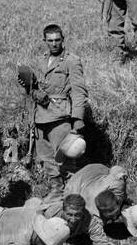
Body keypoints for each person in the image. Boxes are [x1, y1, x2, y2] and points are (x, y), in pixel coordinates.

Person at [23, 24, 89, 198]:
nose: (54, 44)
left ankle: (72, 194)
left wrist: (78, 118)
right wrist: (29, 86)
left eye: (57, 40)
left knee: (65, 159)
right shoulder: (41, 60)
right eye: (50, 40)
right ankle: (56, 190)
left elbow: (78, 90)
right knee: (46, 158)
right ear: (44, 41)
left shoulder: (71, 60)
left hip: (60, 116)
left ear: (63, 40)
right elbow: (36, 87)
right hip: (40, 116)